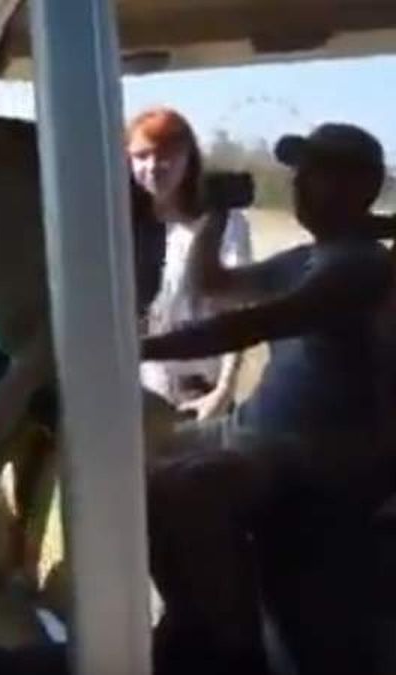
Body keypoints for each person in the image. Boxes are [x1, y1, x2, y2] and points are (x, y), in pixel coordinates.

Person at [141, 123, 395, 675]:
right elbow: (211, 285)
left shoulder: (361, 265)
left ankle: (237, 650)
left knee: (192, 487)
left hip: (321, 449)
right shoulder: (307, 257)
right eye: (301, 171)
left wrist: (130, 349)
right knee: (138, 472)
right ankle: (194, 616)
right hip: (262, 431)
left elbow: (249, 326)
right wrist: (216, 216)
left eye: (319, 171)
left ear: (363, 186)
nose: (300, 184)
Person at [128, 107, 254, 420]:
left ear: (189, 160)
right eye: (141, 156)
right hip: (137, 391)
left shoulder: (223, 223)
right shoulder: (120, 229)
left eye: (166, 156)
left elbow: (237, 312)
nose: (153, 167)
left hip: (201, 390)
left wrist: (223, 391)